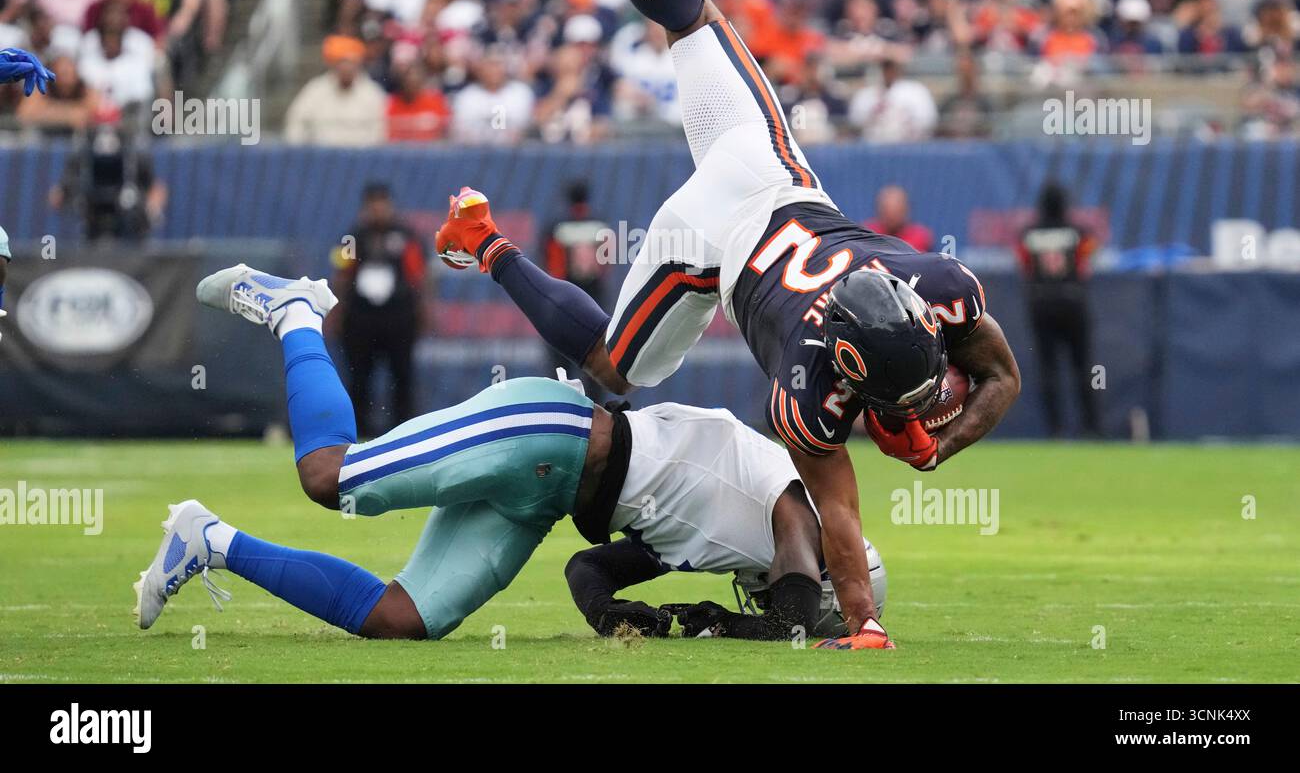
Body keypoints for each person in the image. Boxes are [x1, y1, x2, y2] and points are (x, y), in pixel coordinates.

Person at [434, 0, 1020, 647]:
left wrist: (937, 437)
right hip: (708, 242)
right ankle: (486, 241)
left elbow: (995, 373)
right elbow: (841, 512)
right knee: (609, 371)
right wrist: (866, 621)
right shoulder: (810, 392)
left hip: (768, 166)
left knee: (694, 14)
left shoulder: (933, 282)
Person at [132, 263, 890, 648]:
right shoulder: (789, 501)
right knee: (328, 476)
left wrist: (630, 620)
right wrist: (749, 630)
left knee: (403, 620)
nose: (761, 598)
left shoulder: (727, 538)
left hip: (546, 494)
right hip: (546, 432)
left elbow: (588, 569)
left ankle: (211, 541)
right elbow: (792, 603)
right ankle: (297, 311)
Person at [330, 184, 426, 438]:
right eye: (373, 204)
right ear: (365, 208)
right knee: (359, 378)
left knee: (402, 377)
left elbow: (419, 277)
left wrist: (423, 312)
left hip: (398, 317)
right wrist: (336, 313)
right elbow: (341, 274)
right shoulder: (353, 237)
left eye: (382, 203)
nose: (378, 209)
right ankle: (357, 433)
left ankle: (405, 433)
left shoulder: (406, 236)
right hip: (361, 319)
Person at [1017, 182, 1101, 438]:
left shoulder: (1028, 233)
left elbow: (1025, 264)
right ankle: (1091, 428)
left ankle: (1055, 429)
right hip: (1072, 301)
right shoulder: (1077, 231)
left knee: (1047, 367)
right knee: (1082, 366)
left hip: (1041, 303)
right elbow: (1088, 259)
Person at [542, 181, 611, 396]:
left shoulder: (556, 227)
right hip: (594, 308)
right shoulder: (601, 225)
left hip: (564, 306)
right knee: (596, 372)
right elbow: (605, 266)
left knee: (561, 371)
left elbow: (551, 267)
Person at [865, 185, 934, 253]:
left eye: (896, 211)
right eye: (886, 211)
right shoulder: (866, 235)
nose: (891, 217)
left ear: (906, 210)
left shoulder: (920, 237)